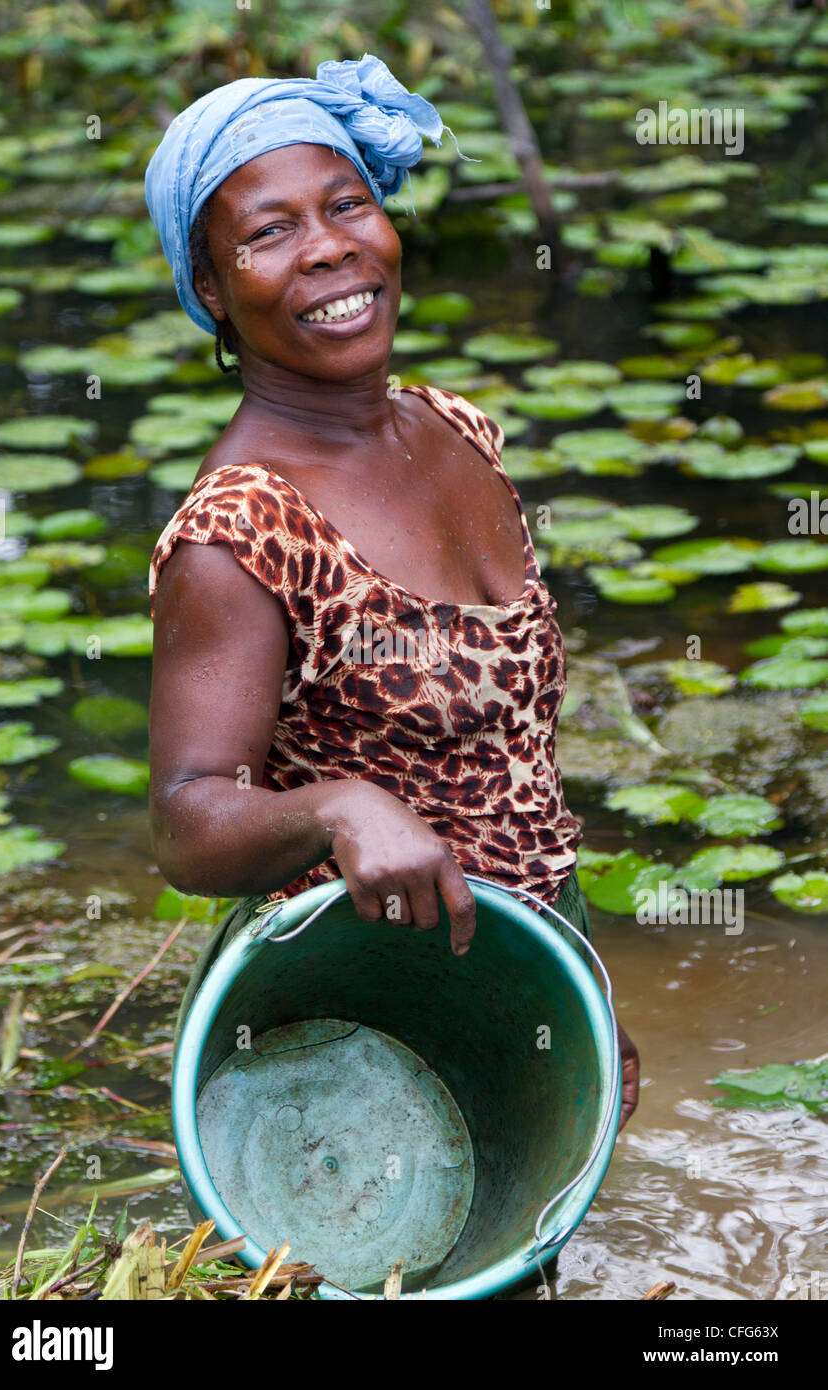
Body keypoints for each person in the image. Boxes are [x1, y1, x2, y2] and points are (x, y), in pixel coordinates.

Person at [144, 53, 639, 1129]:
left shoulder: (453, 429)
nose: (327, 246)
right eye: (268, 231)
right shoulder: (240, 533)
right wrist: (339, 806)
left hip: (528, 962)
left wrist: (585, 996)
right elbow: (188, 823)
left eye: (345, 204)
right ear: (214, 291)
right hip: (351, 1028)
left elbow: (516, 765)